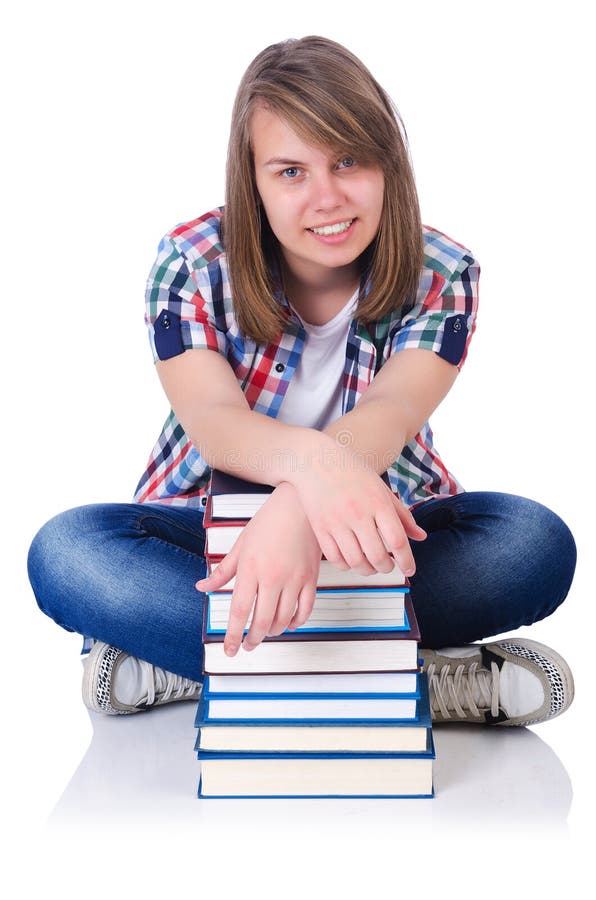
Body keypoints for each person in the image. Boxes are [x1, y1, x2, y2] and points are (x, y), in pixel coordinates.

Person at [28, 35, 576, 726]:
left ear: (387, 164)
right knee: (67, 552)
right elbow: (215, 423)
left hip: (379, 540)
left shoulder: (443, 271)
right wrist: (309, 474)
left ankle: (209, 669)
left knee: (530, 542)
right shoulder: (193, 261)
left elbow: (395, 404)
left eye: (348, 160)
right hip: (210, 538)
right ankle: (412, 681)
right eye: (291, 171)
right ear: (252, 181)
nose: (327, 198)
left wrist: (295, 507)